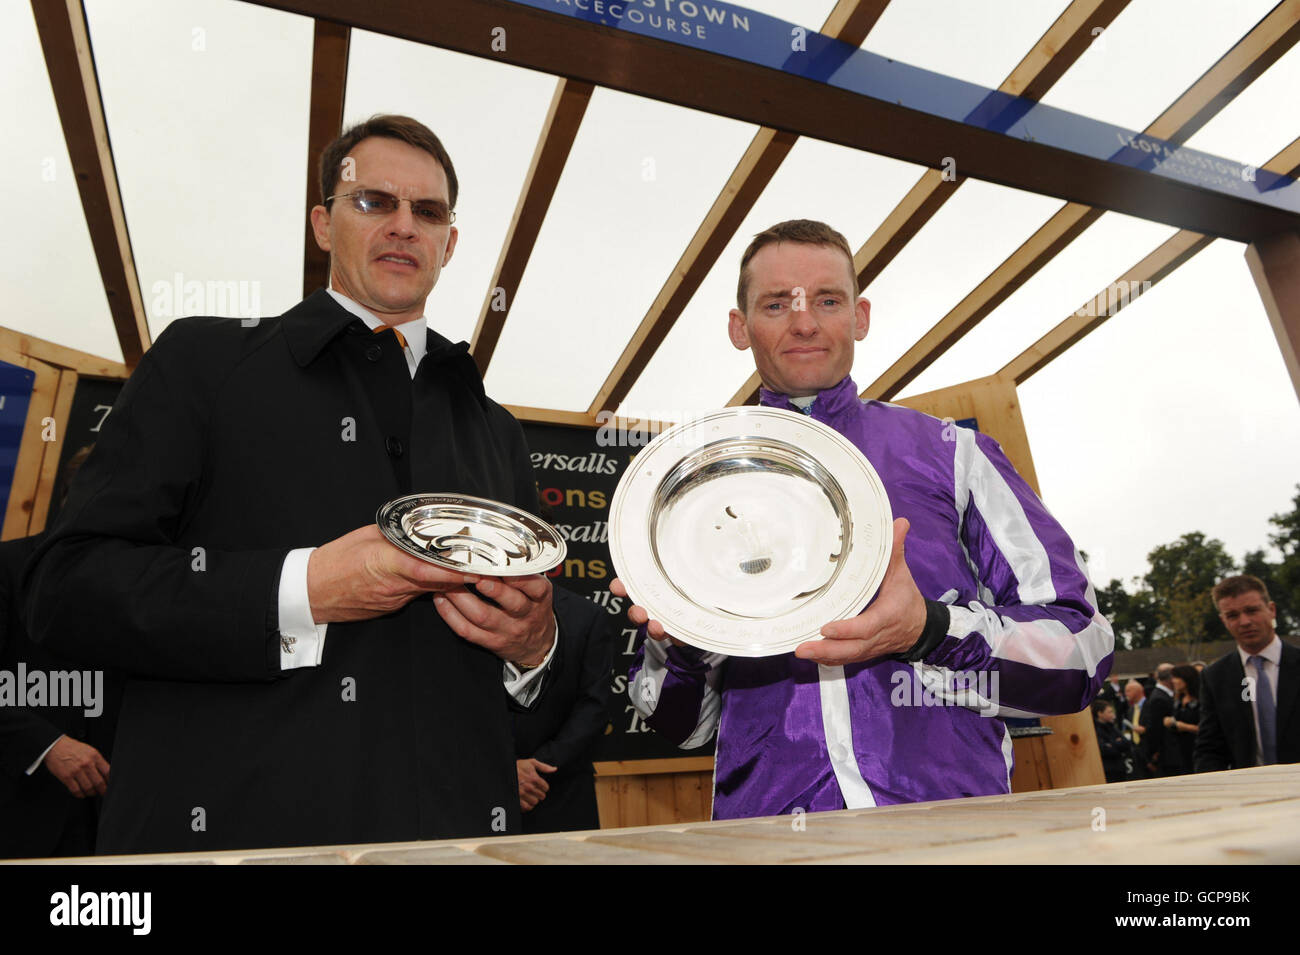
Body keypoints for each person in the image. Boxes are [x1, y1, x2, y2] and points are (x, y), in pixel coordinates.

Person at [25, 115, 577, 854]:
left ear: (449, 243)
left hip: (458, 839)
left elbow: (519, 657)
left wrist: (534, 648)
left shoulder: (495, 428)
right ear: (323, 224)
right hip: (240, 836)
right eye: (374, 201)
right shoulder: (203, 362)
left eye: (428, 211)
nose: (404, 225)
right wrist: (301, 589)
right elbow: (65, 589)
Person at [616, 219, 1114, 818]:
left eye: (828, 300)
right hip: (766, 843)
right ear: (739, 328)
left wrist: (931, 629)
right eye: (776, 304)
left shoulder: (953, 453)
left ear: (860, 316)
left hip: (950, 833)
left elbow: (1083, 652)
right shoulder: (691, 493)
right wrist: (684, 646)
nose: (805, 323)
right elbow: (680, 729)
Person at [511, 588, 615, 834]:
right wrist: (504, 768)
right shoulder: (466, 610)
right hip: (482, 789)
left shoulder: (587, 615)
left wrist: (538, 766)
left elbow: (594, 705)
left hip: (562, 787)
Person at [1196, 575, 1299, 771]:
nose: (1244, 622)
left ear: (1272, 610)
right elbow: (1210, 749)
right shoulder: (1215, 677)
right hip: (1247, 787)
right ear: (1223, 620)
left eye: (1252, 611)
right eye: (1232, 615)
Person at [1140, 663, 1180, 776]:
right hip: (1168, 755)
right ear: (1170, 678)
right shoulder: (1159, 698)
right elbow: (1154, 729)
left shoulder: (1162, 695)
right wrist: (1152, 754)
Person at [1164, 663, 1200, 773]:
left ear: (1187, 678)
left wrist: (1185, 727)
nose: (1173, 681)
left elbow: (1208, 728)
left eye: (1176, 677)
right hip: (1180, 754)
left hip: (1197, 751)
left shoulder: (1201, 699)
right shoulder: (1178, 700)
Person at [1092, 700, 1136, 783]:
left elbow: (1126, 743)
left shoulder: (1112, 727)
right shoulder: (1095, 730)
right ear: (1100, 713)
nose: (1113, 714)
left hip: (1120, 769)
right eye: (1109, 712)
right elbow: (1104, 749)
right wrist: (1117, 743)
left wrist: (1111, 744)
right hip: (1108, 771)